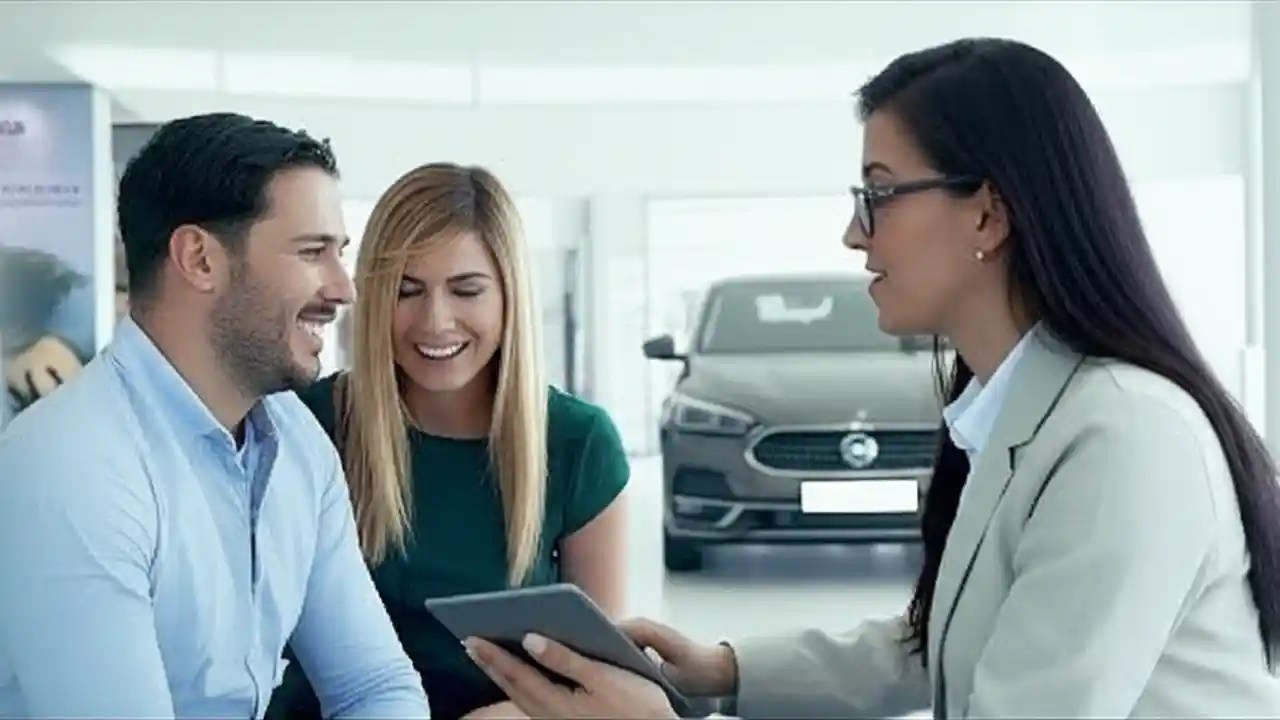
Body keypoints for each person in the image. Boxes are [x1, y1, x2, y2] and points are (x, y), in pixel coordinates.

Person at [462, 37, 1280, 718]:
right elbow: (942, 643)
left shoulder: (1124, 437)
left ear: (988, 214)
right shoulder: (1022, 412)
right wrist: (722, 671)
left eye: (879, 195)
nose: (854, 233)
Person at [0, 112, 430, 718]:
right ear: (200, 259)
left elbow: (375, 688)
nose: (344, 288)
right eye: (312, 252)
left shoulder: (297, 442)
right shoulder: (70, 464)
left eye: (340, 254)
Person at [266, 162, 629, 720]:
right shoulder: (305, 423)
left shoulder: (577, 442)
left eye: (466, 291)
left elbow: (600, 689)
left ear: (509, 296)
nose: (436, 322)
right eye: (407, 291)